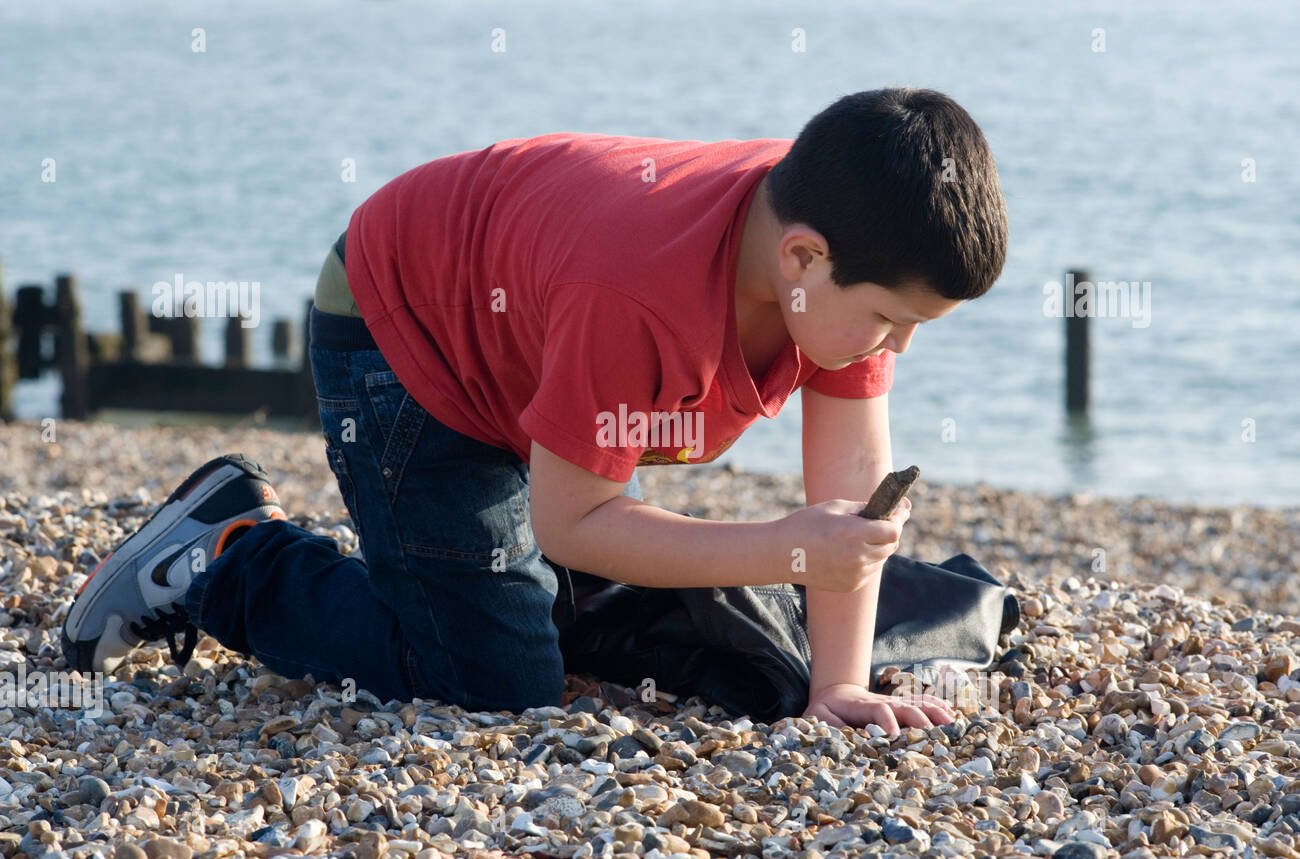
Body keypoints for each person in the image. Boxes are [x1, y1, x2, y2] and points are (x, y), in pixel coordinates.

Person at [63, 87, 1007, 734]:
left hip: (544, 356)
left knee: (583, 606)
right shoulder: (641, 293)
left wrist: (834, 685)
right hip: (408, 338)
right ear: (802, 258)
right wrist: (789, 548)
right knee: (498, 682)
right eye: (890, 321)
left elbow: (851, 492)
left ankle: (434, 563)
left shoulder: (838, 249)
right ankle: (230, 556)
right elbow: (574, 520)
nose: (898, 349)